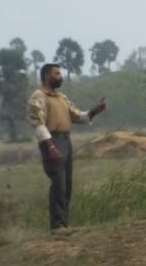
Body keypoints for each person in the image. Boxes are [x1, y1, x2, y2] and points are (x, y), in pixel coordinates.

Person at [27, 63, 107, 232]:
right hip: (52, 141)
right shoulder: (38, 96)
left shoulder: (61, 98)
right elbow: (38, 124)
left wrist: (95, 111)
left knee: (67, 184)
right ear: (47, 76)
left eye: (60, 74)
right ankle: (56, 225)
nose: (60, 77)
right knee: (58, 183)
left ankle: (64, 223)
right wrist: (50, 146)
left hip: (65, 141)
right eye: (57, 74)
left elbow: (78, 116)